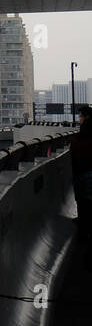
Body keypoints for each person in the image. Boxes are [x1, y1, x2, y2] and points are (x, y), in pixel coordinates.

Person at [72, 105, 92, 264]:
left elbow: (75, 159)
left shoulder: (79, 139)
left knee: (85, 209)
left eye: (80, 116)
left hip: (83, 176)